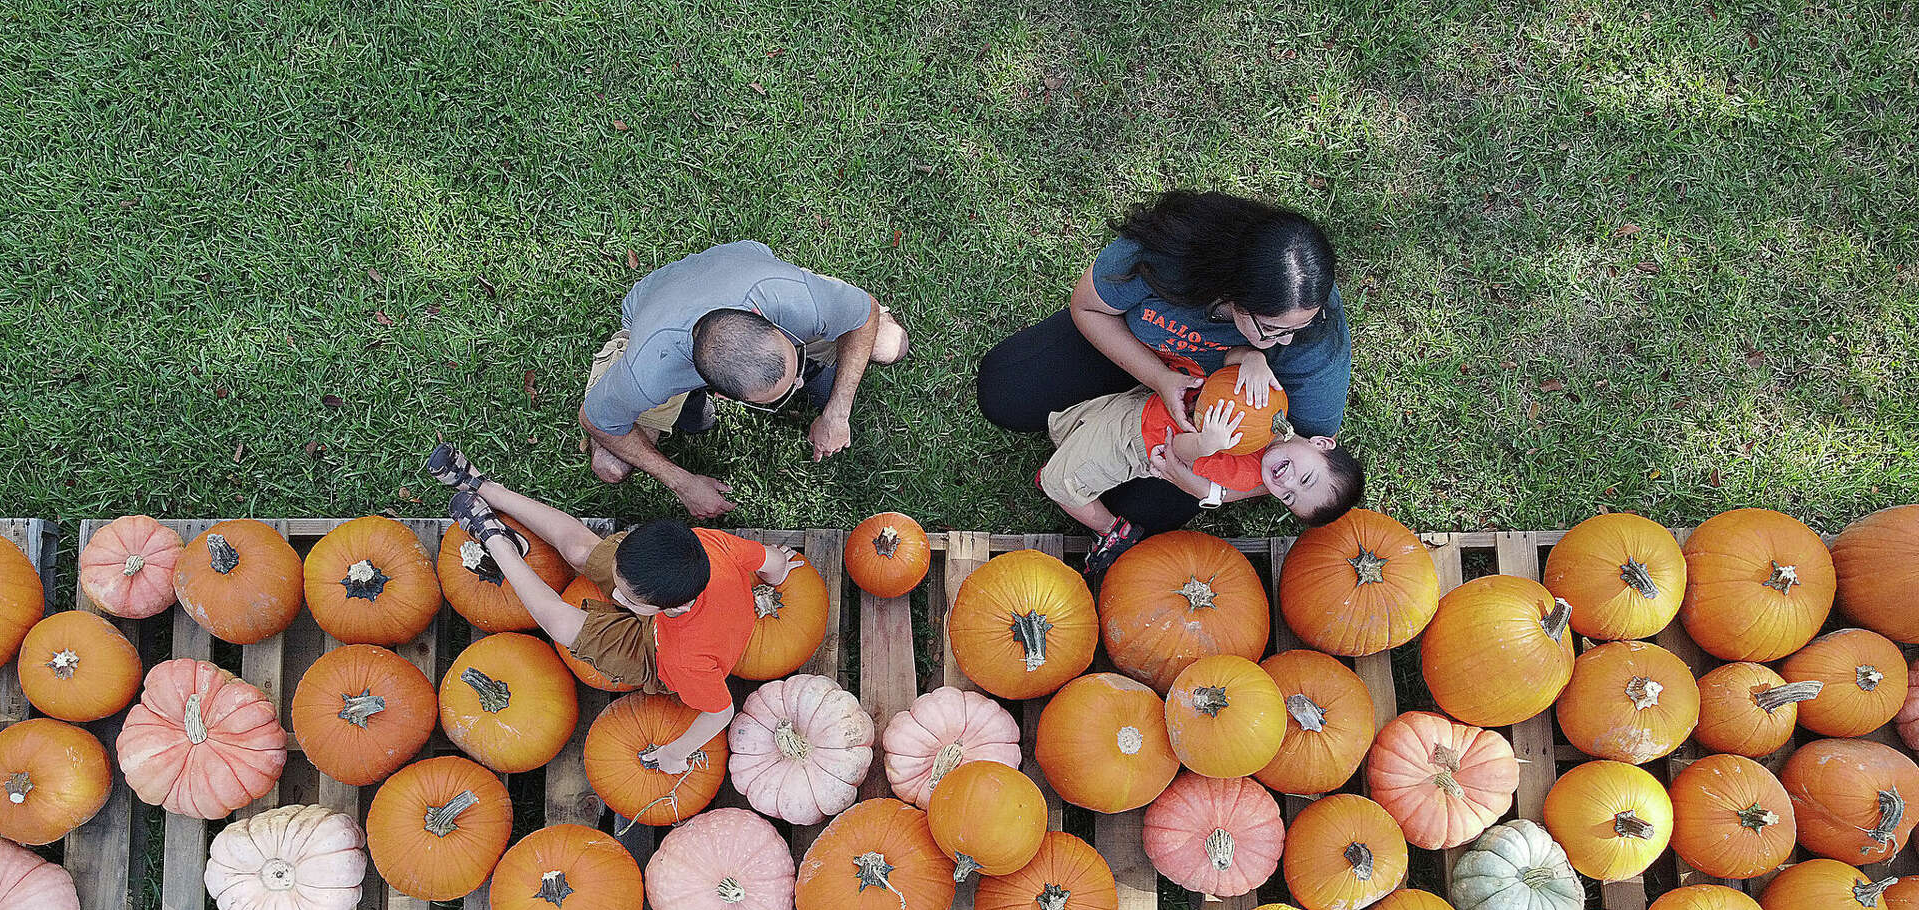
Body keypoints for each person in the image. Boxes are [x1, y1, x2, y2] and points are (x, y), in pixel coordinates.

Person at [977, 191, 1353, 538]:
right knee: (1004, 392)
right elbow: (1087, 308)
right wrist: (1158, 378)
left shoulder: (1314, 337)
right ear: (1233, 292)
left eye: (1297, 328)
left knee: (1139, 514)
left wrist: (1208, 490)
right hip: (1131, 351)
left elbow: (1290, 450)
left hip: (1198, 429)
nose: (1285, 341)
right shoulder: (1167, 252)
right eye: (1271, 329)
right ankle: (1106, 412)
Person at [427, 444, 791, 773]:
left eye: (629, 601)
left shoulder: (686, 661)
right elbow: (769, 560)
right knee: (582, 551)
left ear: (674, 606)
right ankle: (486, 488)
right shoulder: (706, 546)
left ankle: (496, 541)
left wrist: (675, 753)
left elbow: (719, 711)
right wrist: (779, 573)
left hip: (656, 652)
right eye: (619, 585)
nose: (617, 599)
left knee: (561, 622)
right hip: (662, 604)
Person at [579, 241, 910, 519]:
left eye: (795, 367)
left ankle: (806, 366)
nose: (796, 382)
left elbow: (864, 311)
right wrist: (684, 483)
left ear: (759, 318)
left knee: (891, 343)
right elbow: (596, 420)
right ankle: (690, 406)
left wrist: (837, 412)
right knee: (610, 465)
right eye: (783, 392)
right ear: (722, 394)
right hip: (654, 309)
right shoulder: (647, 371)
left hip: (738, 269)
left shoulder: (790, 297)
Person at [1039, 386, 1363, 573]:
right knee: (1068, 430)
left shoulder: (1246, 472)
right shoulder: (1275, 409)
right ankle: (1066, 459)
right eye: (1305, 478)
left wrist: (1207, 444)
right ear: (1321, 444)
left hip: (1134, 442)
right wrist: (1253, 361)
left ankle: (1112, 529)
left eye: (1288, 498)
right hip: (1143, 404)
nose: (1286, 483)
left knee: (1061, 483)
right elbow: (1232, 366)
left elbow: (1177, 452)